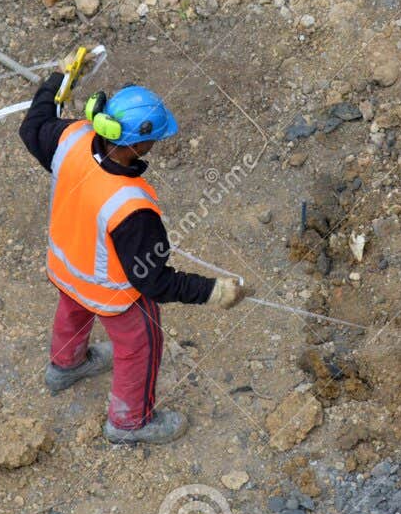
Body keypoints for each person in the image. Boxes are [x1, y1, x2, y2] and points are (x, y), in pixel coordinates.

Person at [18, 58, 248, 444]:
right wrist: (213, 291)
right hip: (113, 294)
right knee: (140, 344)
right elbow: (154, 282)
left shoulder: (71, 139)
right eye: (154, 139)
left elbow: (32, 126)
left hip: (65, 268)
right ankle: (129, 423)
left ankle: (66, 367)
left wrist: (60, 77)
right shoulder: (131, 206)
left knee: (73, 311)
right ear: (138, 144)